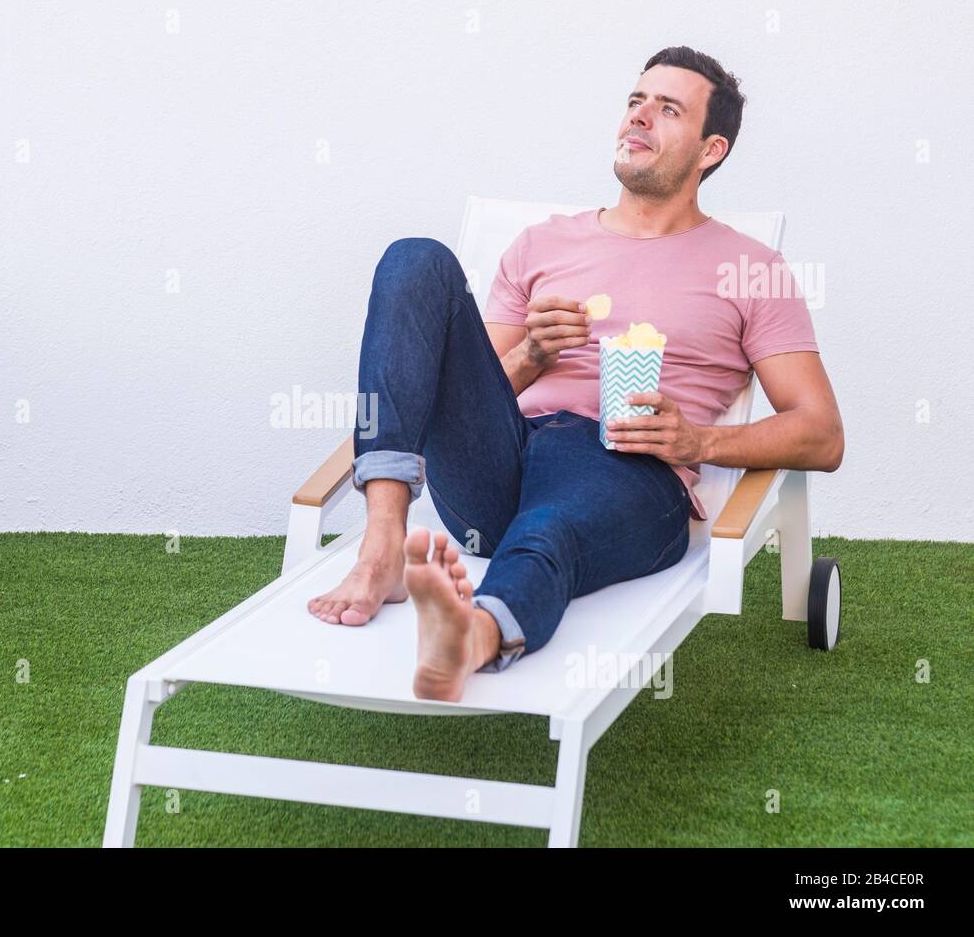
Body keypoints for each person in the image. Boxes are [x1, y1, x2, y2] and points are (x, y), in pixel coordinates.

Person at [305, 46, 845, 703]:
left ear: (711, 149)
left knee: (551, 526)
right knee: (413, 261)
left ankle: (473, 635)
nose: (638, 118)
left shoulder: (751, 269)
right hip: (502, 464)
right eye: (635, 101)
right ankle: (382, 546)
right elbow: (463, 398)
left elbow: (821, 434)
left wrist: (699, 444)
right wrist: (532, 357)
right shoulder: (541, 244)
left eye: (667, 109)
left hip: (629, 470)